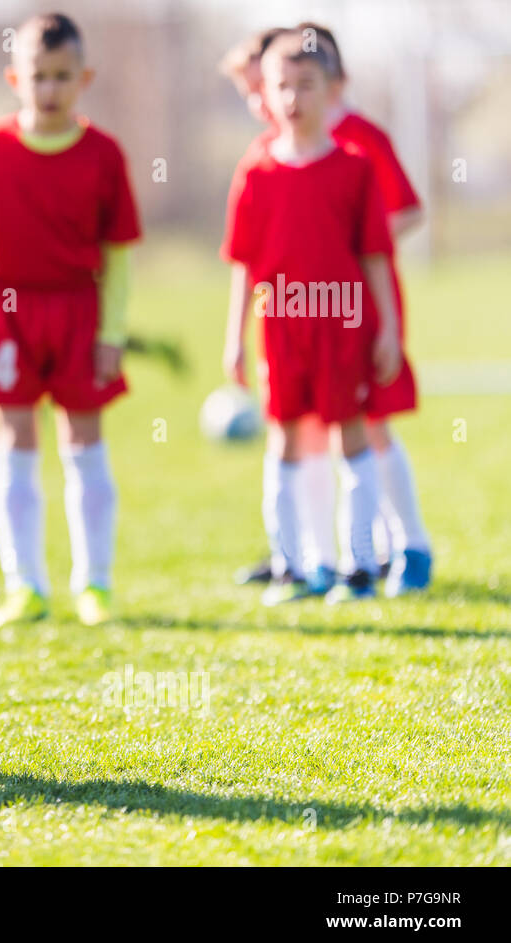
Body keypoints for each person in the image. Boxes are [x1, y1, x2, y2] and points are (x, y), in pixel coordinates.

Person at [220, 23, 431, 597]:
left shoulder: (358, 149)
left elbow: (397, 223)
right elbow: (246, 257)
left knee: (366, 432)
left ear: (332, 85)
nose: (288, 99)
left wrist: (335, 244)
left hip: (348, 316)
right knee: (297, 440)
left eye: (305, 83)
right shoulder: (260, 163)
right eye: (275, 86)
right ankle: (309, 561)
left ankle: (402, 549)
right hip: (287, 324)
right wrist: (236, 334)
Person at [0, 12, 141, 627]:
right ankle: (25, 585)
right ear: (14, 78)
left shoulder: (104, 153)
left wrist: (112, 332)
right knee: (15, 441)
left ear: (84, 78)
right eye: (38, 76)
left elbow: (119, 253)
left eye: (62, 77)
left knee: (84, 442)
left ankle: (96, 585)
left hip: (79, 310)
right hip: (8, 310)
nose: (50, 89)